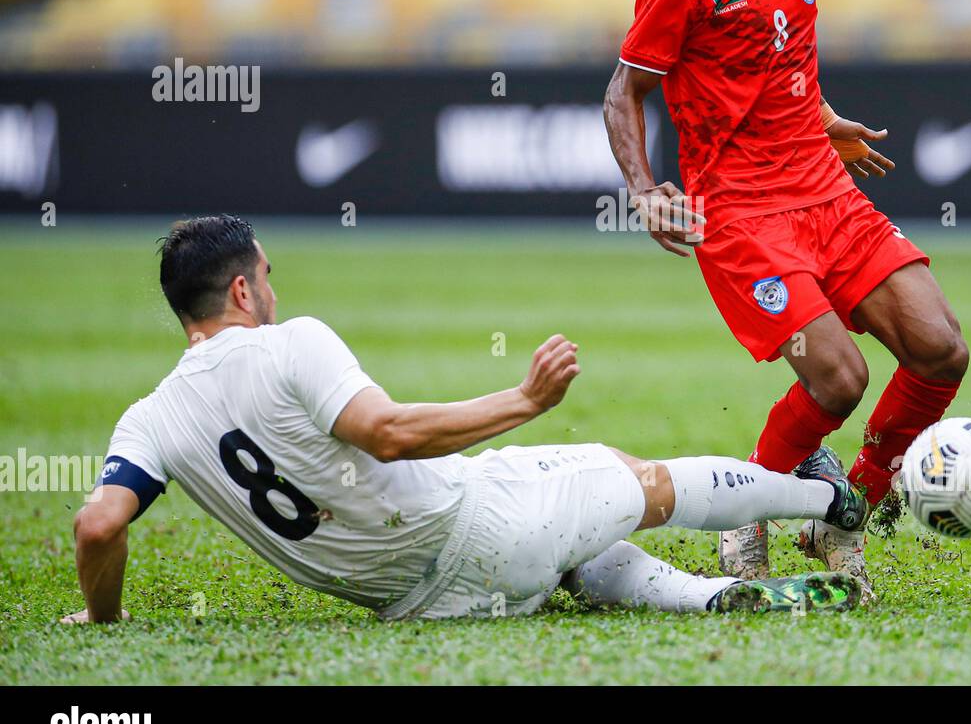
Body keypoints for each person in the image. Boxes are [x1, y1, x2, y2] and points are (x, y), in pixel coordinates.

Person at [64, 215, 867, 624]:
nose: (273, 290)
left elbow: (98, 527)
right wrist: (523, 401)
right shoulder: (288, 343)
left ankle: (710, 595)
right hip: (476, 523)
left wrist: (103, 620)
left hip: (420, 605)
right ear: (242, 292)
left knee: (577, 548)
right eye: (267, 276)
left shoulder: (151, 418)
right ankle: (828, 501)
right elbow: (386, 433)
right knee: (637, 479)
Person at [603, 0, 969, 582]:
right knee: (839, 378)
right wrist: (643, 188)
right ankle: (750, 512)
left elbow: (785, 56)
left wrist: (825, 116)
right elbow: (622, 92)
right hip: (740, 214)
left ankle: (851, 508)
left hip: (825, 190)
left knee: (940, 351)